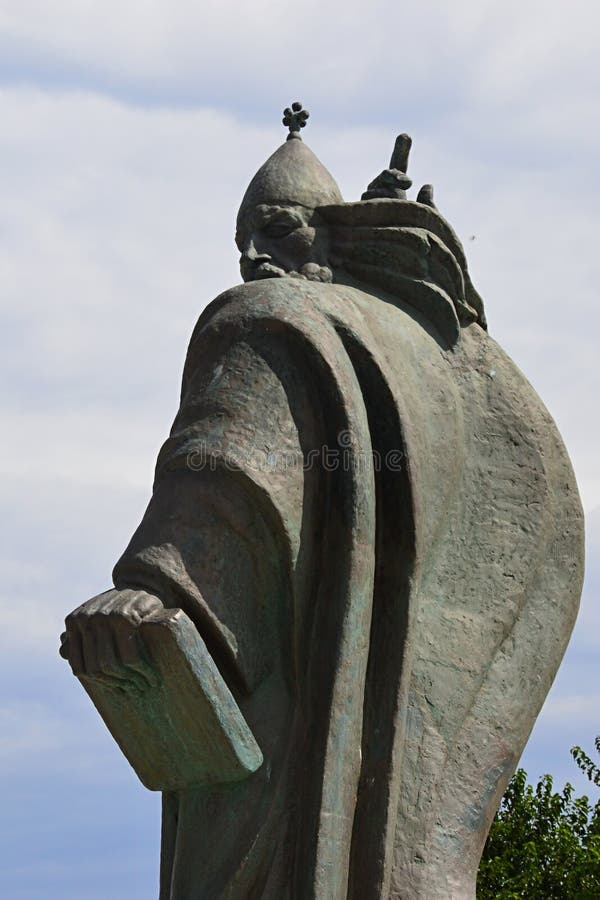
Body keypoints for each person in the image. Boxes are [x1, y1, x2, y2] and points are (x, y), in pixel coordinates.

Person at [61, 104, 583, 899]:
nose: (249, 254)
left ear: (329, 232)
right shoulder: (442, 367)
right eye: (242, 235)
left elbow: (228, 468)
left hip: (279, 733)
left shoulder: (265, 320)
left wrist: (162, 585)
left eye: (274, 227)